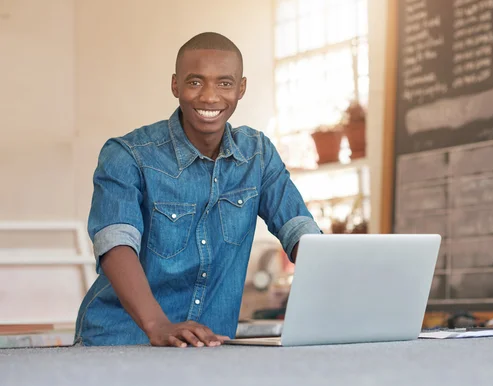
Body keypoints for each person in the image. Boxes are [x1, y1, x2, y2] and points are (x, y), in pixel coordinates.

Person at [74, 32, 322, 347]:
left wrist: (337, 292)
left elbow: (299, 229)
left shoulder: (257, 155)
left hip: (210, 348)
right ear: (175, 85)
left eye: (224, 83)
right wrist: (158, 325)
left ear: (241, 88)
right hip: (120, 341)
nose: (209, 97)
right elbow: (115, 245)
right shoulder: (128, 155)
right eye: (195, 82)